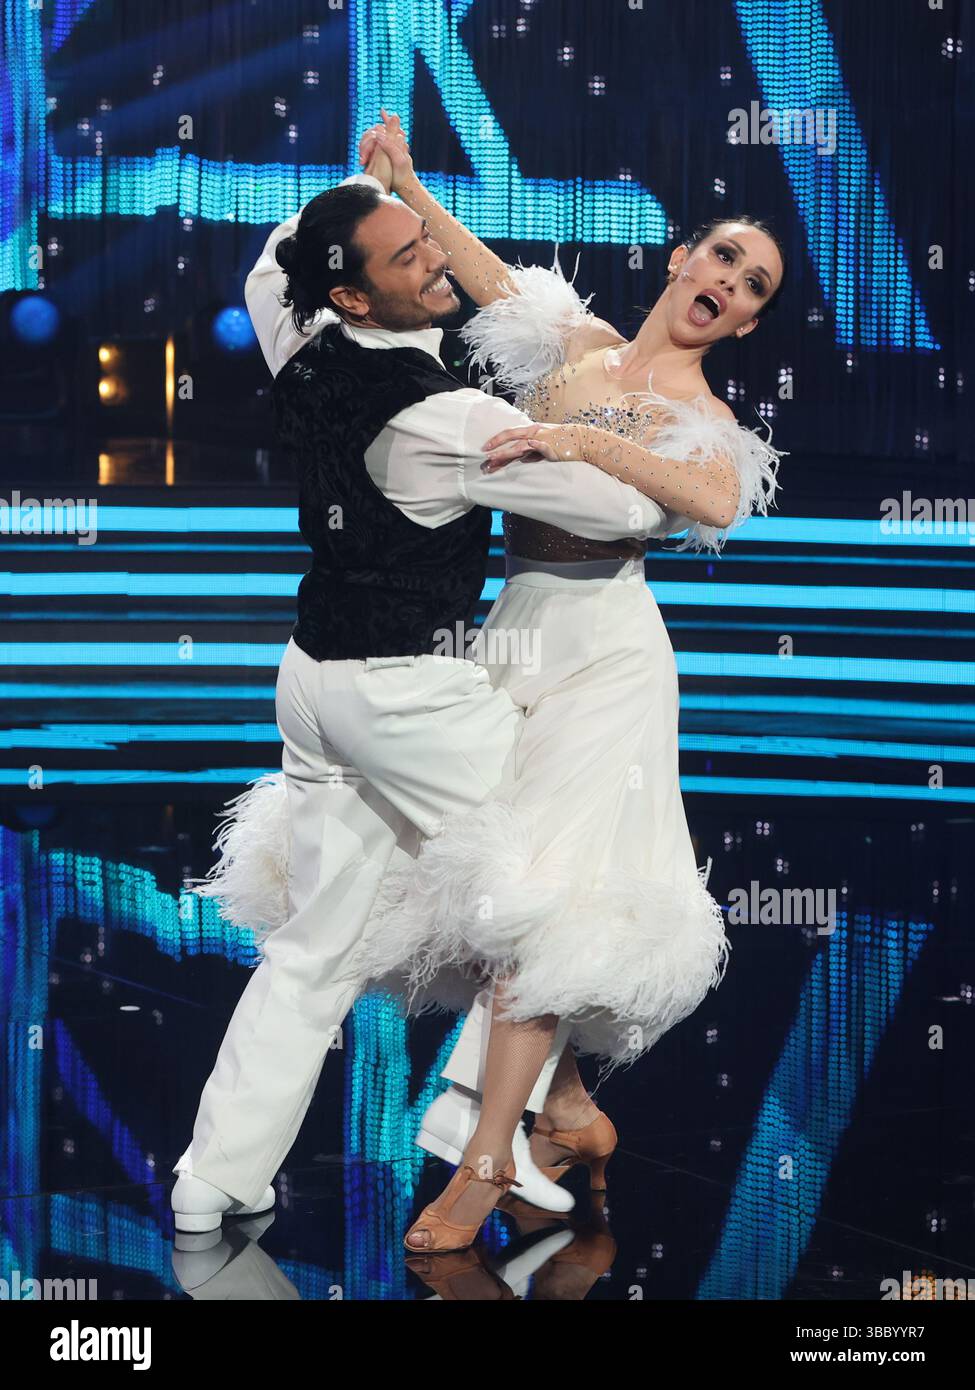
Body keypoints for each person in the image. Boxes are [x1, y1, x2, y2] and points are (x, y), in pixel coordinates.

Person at [169, 140, 691, 1236]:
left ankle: (212, 1179)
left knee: (315, 946)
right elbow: (628, 517)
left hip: (310, 683)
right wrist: (586, 435)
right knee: (557, 867)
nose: (435, 265)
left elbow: (272, 262)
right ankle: (482, 1119)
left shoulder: (296, 334)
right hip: (406, 697)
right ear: (355, 290)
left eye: (424, 241)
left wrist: (370, 197)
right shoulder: (455, 421)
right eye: (408, 258)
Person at [344, 114, 786, 1248]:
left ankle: (486, 1162)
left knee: (544, 903)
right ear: (684, 256)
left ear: (741, 322)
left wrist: (582, 444)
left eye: (753, 287)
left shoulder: (706, 419)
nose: (729, 283)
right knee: (512, 884)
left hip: (608, 657)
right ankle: (577, 1108)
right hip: (515, 634)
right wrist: (408, 185)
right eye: (724, 258)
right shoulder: (577, 348)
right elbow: (493, 283)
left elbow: (717, 502)